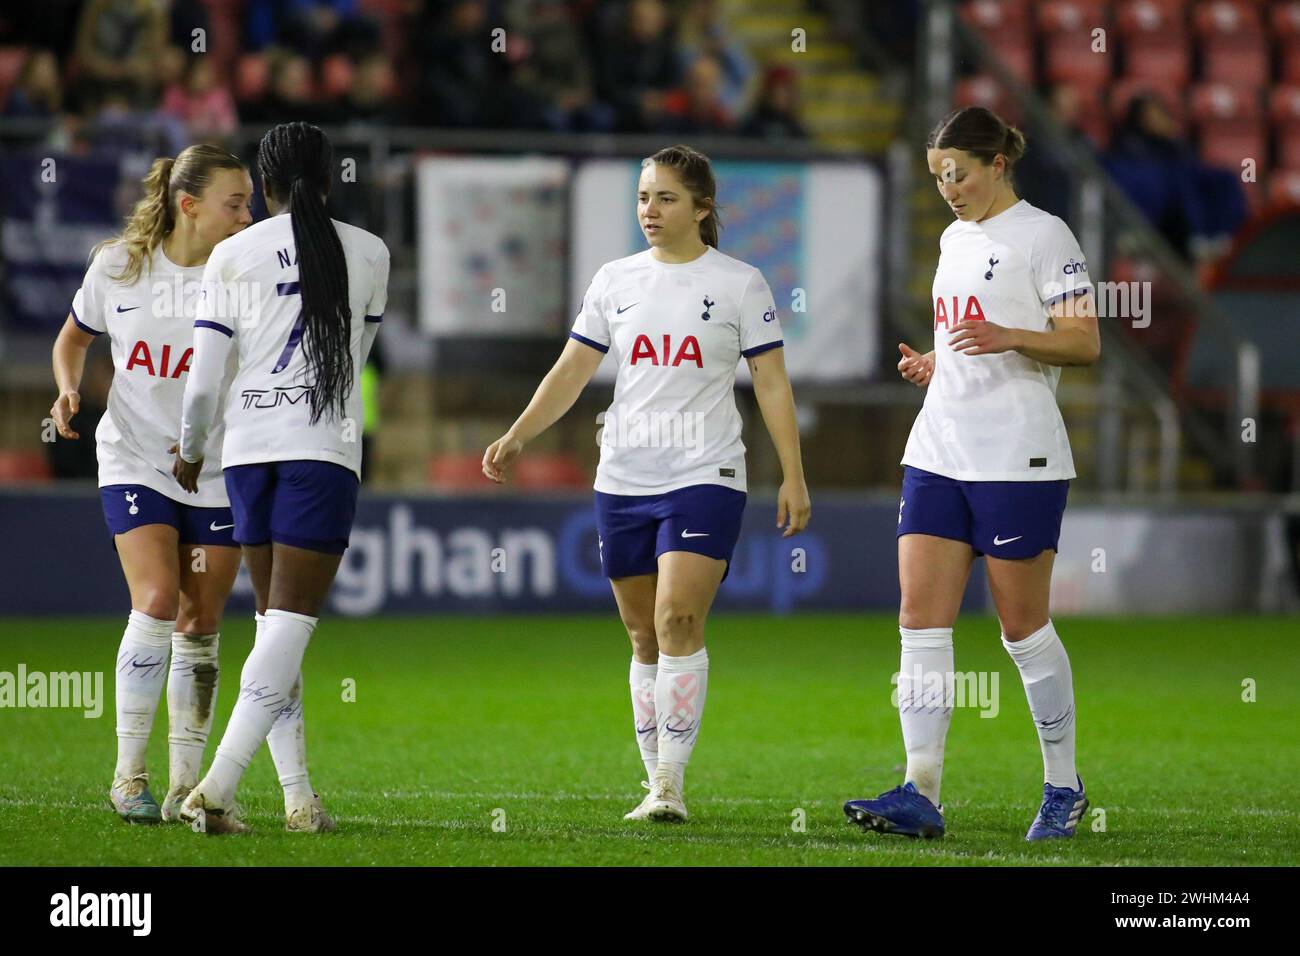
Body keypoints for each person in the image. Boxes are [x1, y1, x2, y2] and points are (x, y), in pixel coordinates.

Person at [483, 144, 810, 823]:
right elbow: (571, 371)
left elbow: (772, 383)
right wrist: (518, 433)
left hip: (706, 472)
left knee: (677, 618)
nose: (650, 211)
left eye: (664, 198)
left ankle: (670, 784)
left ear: (702, 207)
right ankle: (652, 781)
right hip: (624, 475)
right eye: (642, 198)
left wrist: (792, 475)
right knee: (641, 637)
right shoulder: (615, 280)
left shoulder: (741, 283)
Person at [843, 106, 1099, 841]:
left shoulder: (1046, 236)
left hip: (1018, 456)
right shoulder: (955, 240)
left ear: (997, 163)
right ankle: (920, 789)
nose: (948, 189)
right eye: (937, 177)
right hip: (938, 451)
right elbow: (965, 342)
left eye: (957, 173)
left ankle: (1062, 784)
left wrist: (1009, 337)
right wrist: (938, 364)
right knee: (919, 621)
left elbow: (1083, 343)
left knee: (1021, 630)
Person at [174, 121, 389, 834]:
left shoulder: (231, 255)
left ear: (263, 188)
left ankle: (299, 800)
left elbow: (204, 380)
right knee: (288, 629)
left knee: (275, 628)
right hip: (319, 452)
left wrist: (190, 448)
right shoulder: (369, 253)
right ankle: (217, 787)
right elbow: (357, 355)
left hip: (245, 454)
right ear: (329, 181)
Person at [49, 145, 252, 824]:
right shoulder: (120, 266)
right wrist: (69, 389)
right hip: (136, 458)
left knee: (202, 620)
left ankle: (184, 786)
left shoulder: (243, 275)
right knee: (159, 598)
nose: (247, 215)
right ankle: (128, 774)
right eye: (235, 203)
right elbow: (72, 338)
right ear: (188, 206)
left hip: (218, 468)